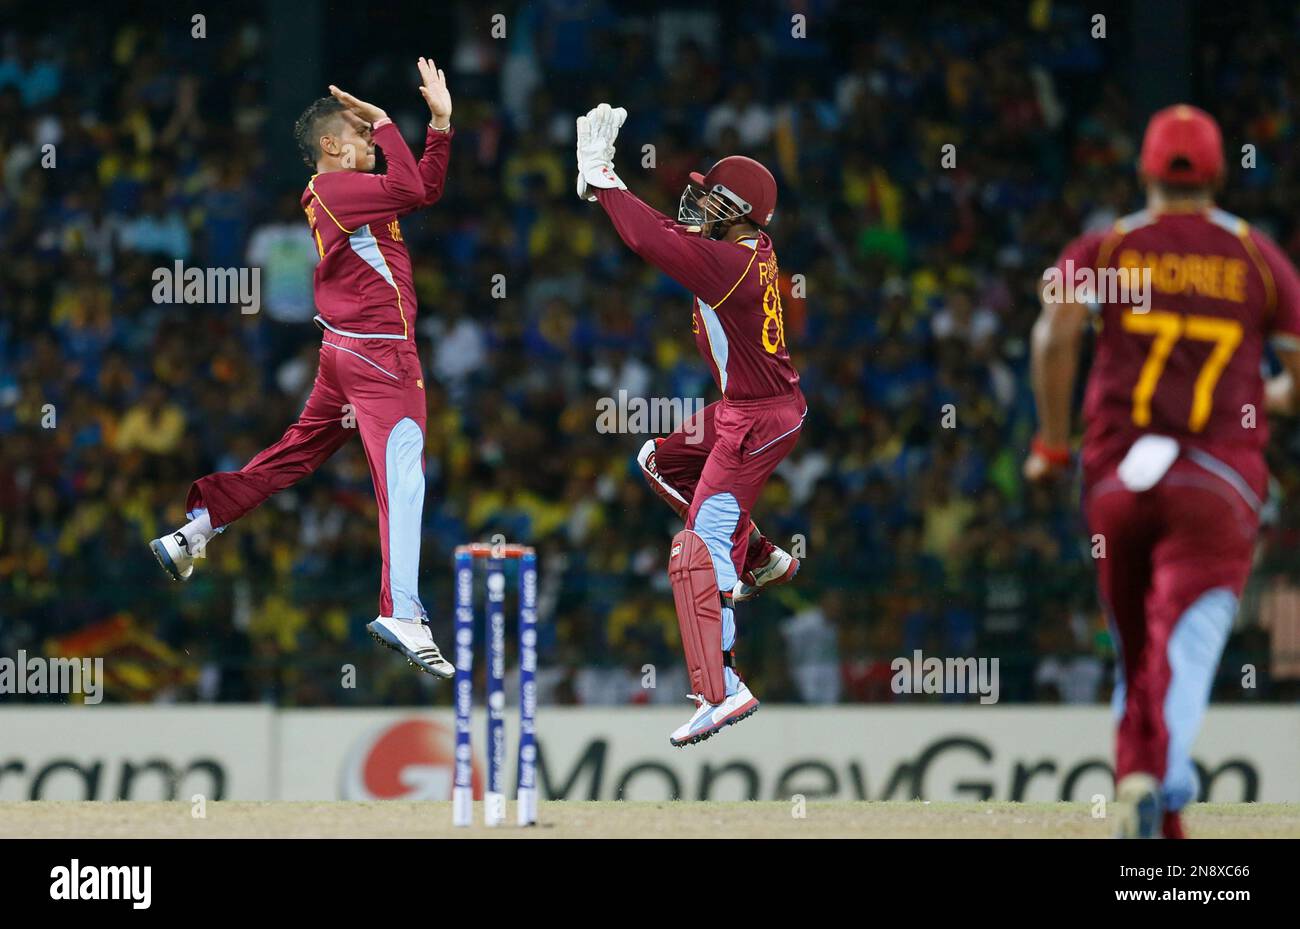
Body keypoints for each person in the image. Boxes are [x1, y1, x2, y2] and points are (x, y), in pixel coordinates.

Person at [1025, 104, 1300, 837]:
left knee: (1139, 645)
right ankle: (1165, 778)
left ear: (1144, 168)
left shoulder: (1108, 248)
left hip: (1118, 478)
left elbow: (1054, 334)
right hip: (1218, 480)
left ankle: (1152, 794)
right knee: (1188, 639)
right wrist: (1268, 393)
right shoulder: (1259, 260)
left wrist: (1053, 443)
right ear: (1216, 173)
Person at [151, 59, 457, 679]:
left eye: (372, 130)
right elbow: (418, 191)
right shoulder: (333, 189)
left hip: (346, 352)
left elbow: (421, 183)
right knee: (404, 477)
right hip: (378, 354)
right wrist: (395, 121)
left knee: (294, 455)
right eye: (361, 131)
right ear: (330, 145)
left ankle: (196, 531)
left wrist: (441, 126)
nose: (371, 137)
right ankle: (402, 610)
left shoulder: (350, 192)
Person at [575, 104, 806, 746]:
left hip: (755, 420)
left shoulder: (727, 264)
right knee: (660, 459)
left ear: (735, 212)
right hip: (752, 408)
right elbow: (661, 233)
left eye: (709, 200)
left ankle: (723, 690)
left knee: (697, 551)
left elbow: (650, 240)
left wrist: (604, 179)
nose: (696, 208)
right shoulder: (743, 250)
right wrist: (604, 190)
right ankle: (759, 558)